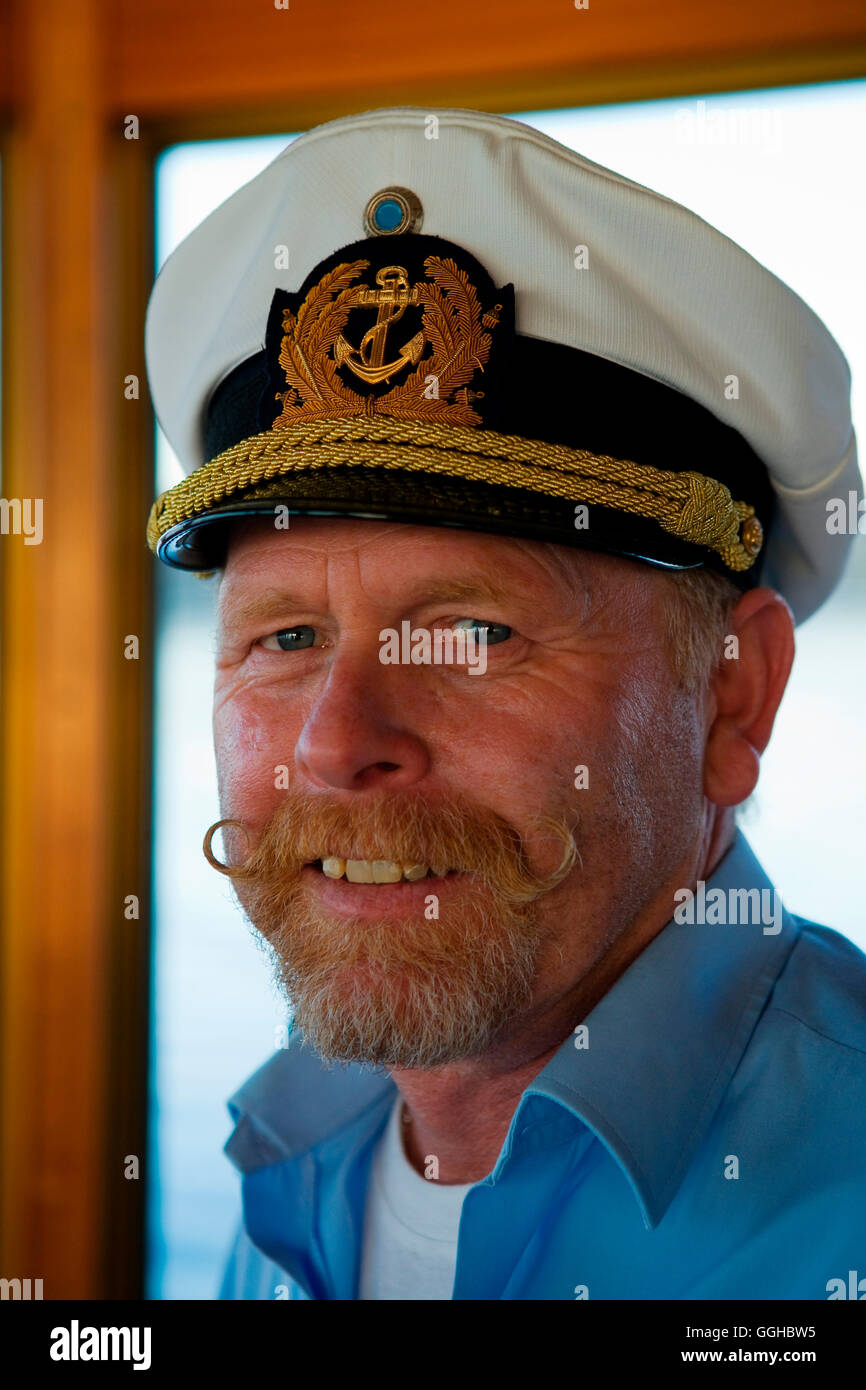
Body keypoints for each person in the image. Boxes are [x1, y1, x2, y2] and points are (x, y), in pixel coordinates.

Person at [144, 106, 865, 1300]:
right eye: (285, 636)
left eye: (471, 633)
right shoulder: (309, 1137)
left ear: (732, 697)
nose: (335, 743)